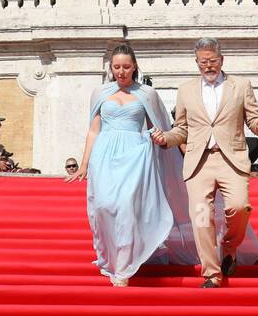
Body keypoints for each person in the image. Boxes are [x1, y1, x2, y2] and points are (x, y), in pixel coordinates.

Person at [72, 42, 195, 285]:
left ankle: (124, 268)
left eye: (126, 67)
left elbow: (158, 127)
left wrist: (162, 139)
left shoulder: (147, 94)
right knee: (103, 207)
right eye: (116, 67)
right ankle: (110, 256)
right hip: (104, 154)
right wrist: (84, 164)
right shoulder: (100, 93)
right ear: (111, 67)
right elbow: (93, 130)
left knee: (127, 207)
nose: (121, 71)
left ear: (134, 66)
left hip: (136, 154)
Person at [152, 37, 258, 288]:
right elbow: (181, 129)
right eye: (203, 61)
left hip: (231, 159)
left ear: (222, 60)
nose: (208, 66)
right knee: (201, 216)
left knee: (240, 207)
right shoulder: (185, 90)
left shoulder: (240, 85)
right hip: (199, 161)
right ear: (197, 63)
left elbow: (253, 116)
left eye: (213, 60)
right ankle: (211, 273)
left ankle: (228, 246)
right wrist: (166, 139)